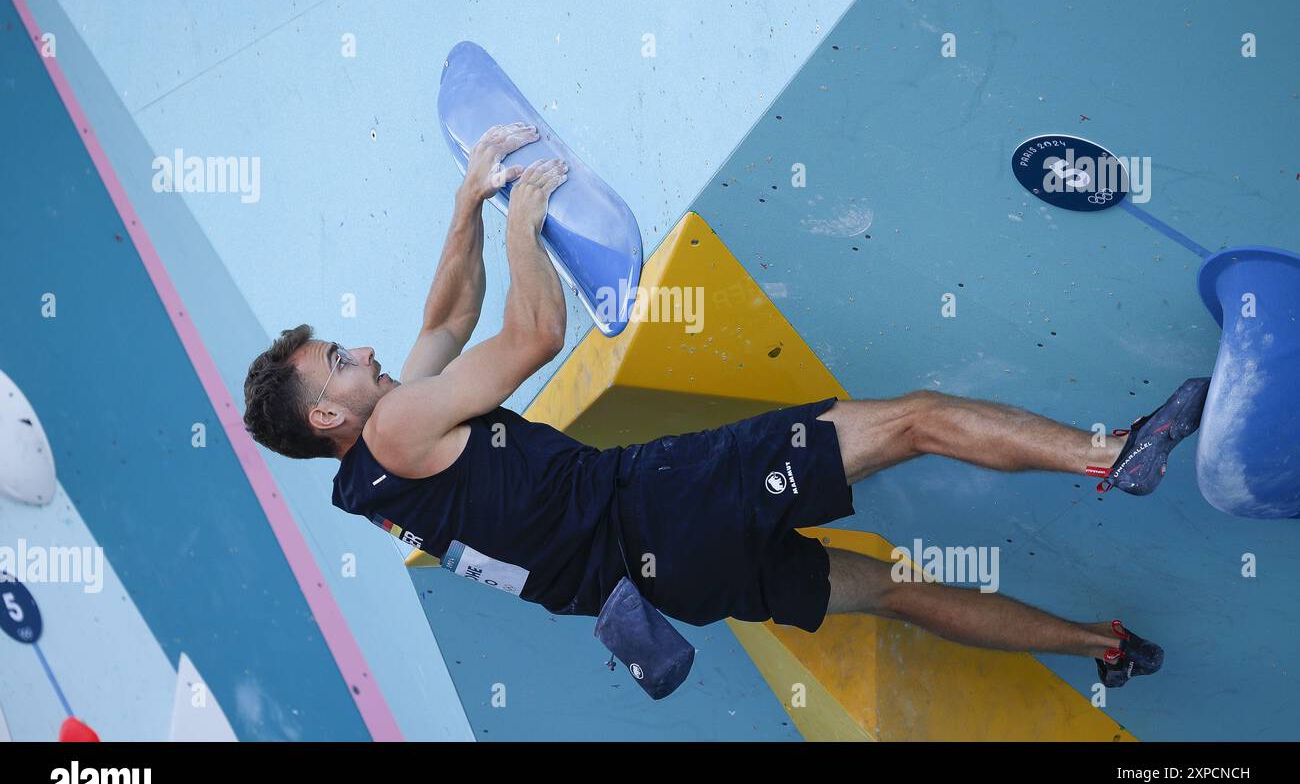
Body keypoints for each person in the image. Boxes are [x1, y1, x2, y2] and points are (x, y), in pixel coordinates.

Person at [243, 123, 1204, 689]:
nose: (361, 349)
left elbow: (444, 321)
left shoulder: (384, 474)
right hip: (668, 502)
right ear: (329, 415)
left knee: (897, 594)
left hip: (672, 584)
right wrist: (524, 225)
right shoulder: (402, 426)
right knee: (911, 419)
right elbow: (531, 335)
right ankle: (1111, 455)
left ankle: (1102, 646)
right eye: (340, 357)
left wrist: (465, 207)